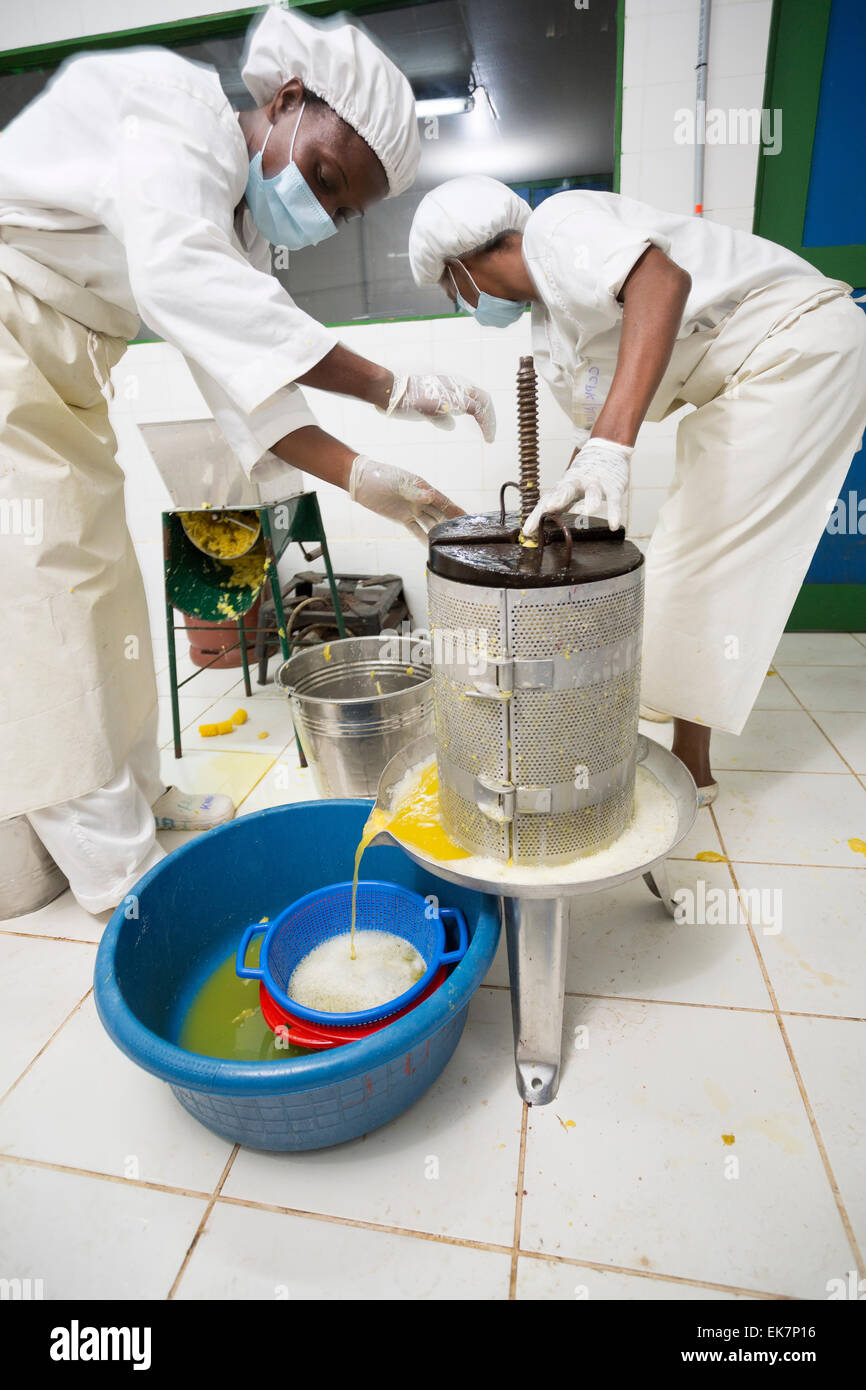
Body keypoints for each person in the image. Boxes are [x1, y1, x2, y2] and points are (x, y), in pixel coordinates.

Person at [0, 8, 492, 914]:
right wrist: (389, 386)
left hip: (65, 361)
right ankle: (120, 875)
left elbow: (251, 394)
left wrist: (372, 481)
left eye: (342, 209)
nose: (324, 210)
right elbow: (182, 281)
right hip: (7, 328)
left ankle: (142, 796)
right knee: (50, 605)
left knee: (105, 590)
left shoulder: (237, 227)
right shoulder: (171, 111)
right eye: (328, 176)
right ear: (292, 99)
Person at [407, 175, 866, 805]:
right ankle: (686, 757)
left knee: (699, 556)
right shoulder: (553, 322)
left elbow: (661, 282)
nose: (460, 299)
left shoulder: (559, 225)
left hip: (796, 347)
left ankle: (690, 770)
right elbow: (596, 427)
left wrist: (610, 447)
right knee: (697, 552)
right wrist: (568, 492)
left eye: (449, 287)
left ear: (460, 265)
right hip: (753, 375)